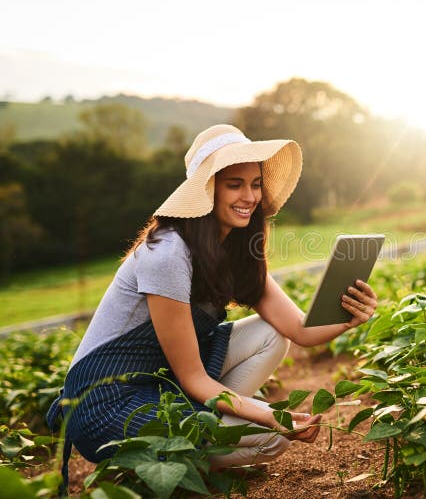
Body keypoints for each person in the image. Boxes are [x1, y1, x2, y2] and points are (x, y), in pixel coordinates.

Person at [46, 124, 378, 490]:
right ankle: (159, 465)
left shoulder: (237, 248)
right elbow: (194, 379)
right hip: (105, 402)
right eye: (234, 184)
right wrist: (273, 416)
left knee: (271, 335)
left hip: (159, 383)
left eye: (255, 184)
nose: (249, 196)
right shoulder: (168, 252)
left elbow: (299, 330)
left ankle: (187, 454)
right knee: (273, 438)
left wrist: (348, 318)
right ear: (208, 190)